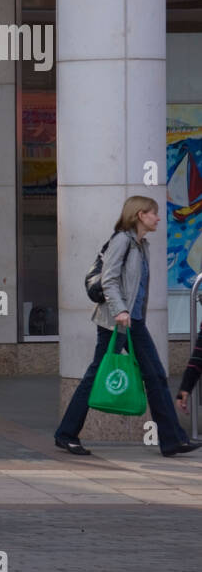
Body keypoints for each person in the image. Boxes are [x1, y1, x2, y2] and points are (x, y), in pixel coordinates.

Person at [56, 196, 201, 457]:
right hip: (116, 322)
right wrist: (120, 310)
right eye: (153, 213)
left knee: (155, 375)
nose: (158, 218)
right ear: (140, 215)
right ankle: (66, 434)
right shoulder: (122, 241)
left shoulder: (141, 245)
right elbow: (109, 280)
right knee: (97, 375)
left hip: (133, 322)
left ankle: (172, 440)